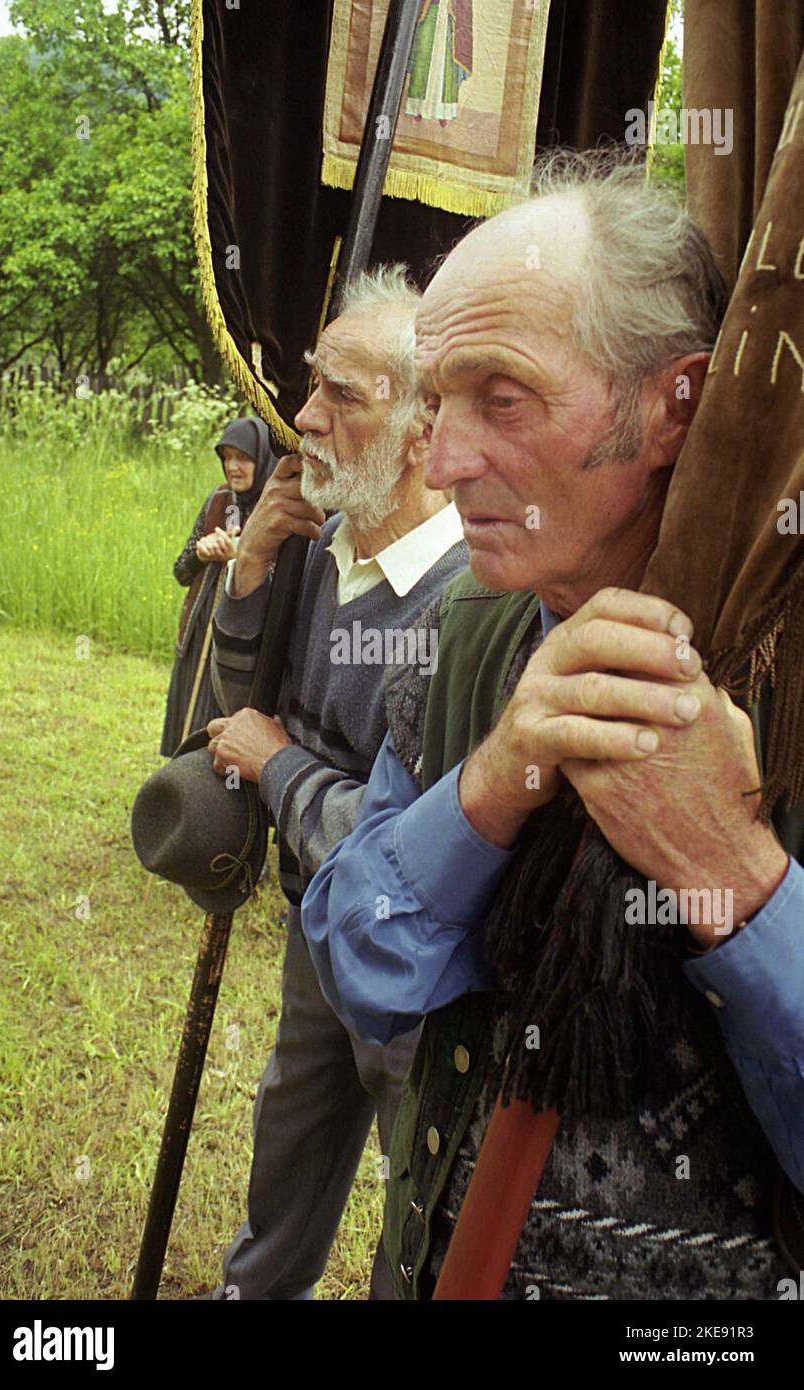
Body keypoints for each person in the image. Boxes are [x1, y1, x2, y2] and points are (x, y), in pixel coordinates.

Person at [302, 154, 804, 1300]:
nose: (440, 459)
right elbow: (360, 962)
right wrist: (489, 783)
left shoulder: (787, 674)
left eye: (503, 398)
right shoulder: (469, 629)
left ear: (673, 404)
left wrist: (734, 874)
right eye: (437, 402)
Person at [201, 267, 468, 1300]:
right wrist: (254, 567)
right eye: (313, 386)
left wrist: (279, 764)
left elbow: (411, 841)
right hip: (316, 930)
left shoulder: (469, 605)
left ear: (420, 429)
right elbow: (237, 709)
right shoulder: (318, 539)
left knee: (423, 1203)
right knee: (288, 1155)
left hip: (419, 977)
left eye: (341, 397)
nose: (303, 418)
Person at [159, 418, 276, 757]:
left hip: (238, 639)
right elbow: (181, 570)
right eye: (226, 457)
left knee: (216, 732)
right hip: (201, 633)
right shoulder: (218, 500)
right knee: (187, 719)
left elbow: (285, 580)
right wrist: (202, 551)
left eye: (242, 457)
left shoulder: (275, 506)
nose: (232, 467)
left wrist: (242, 556)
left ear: (262, 457)